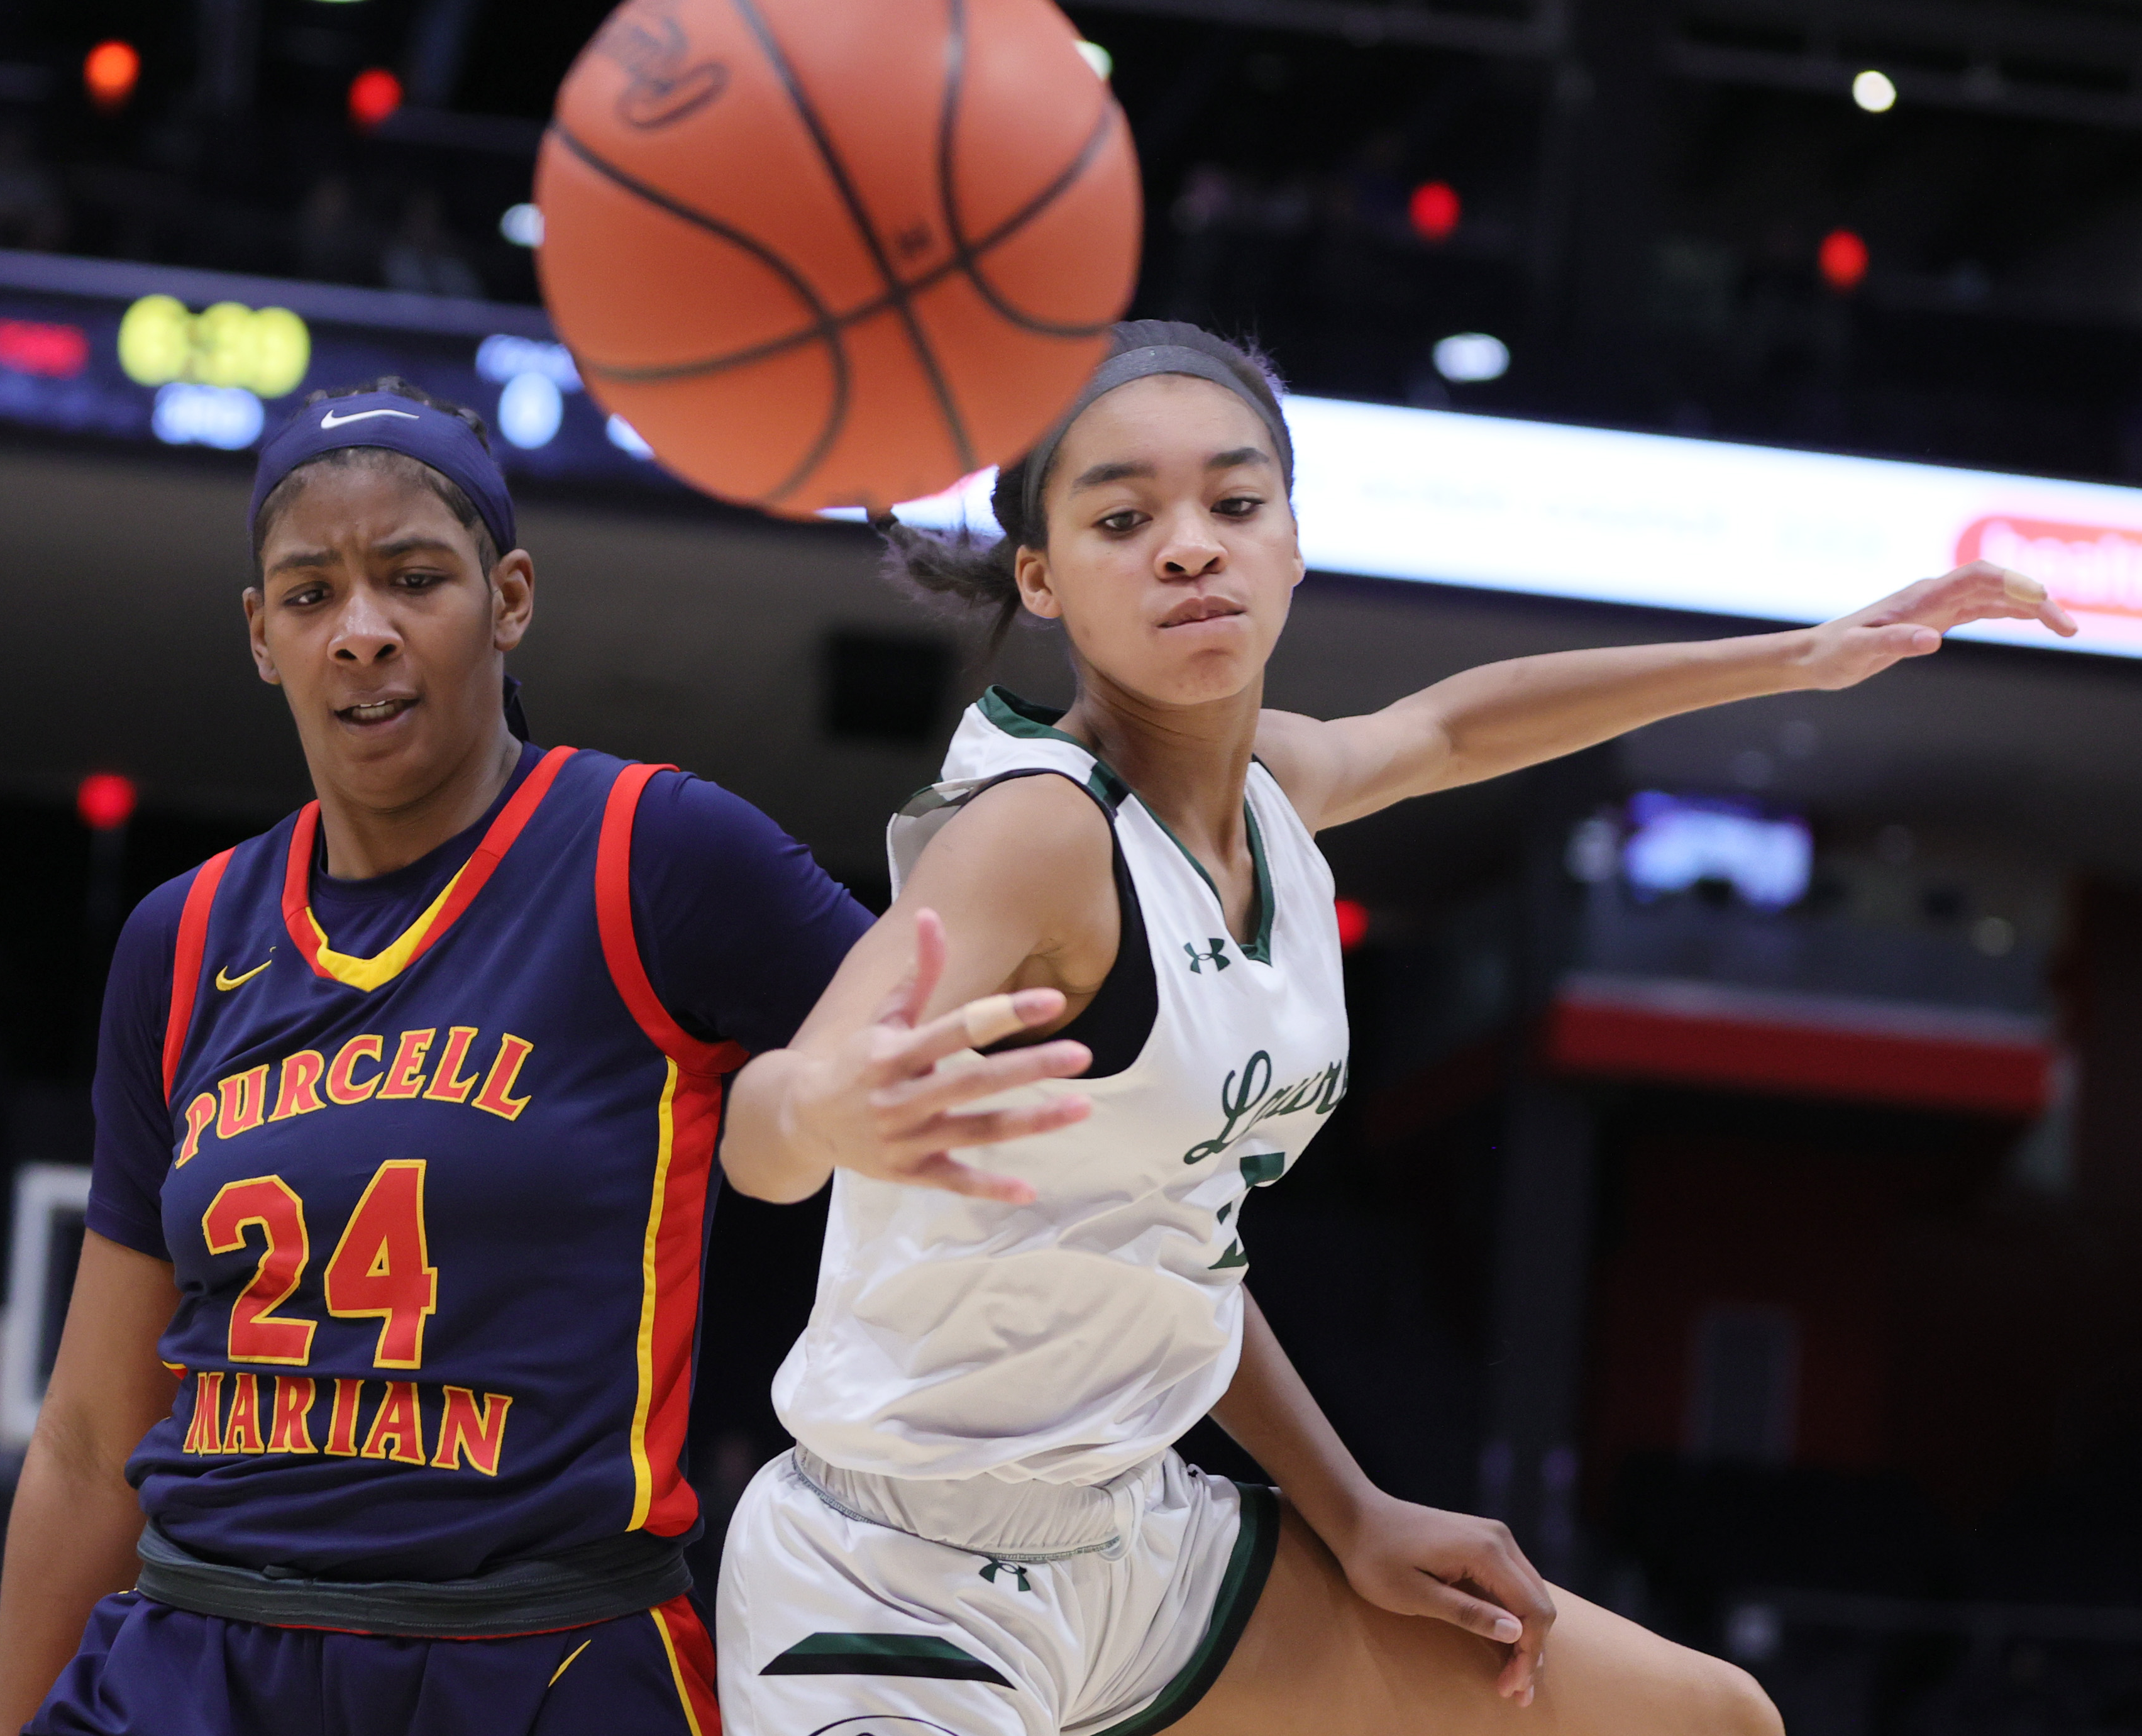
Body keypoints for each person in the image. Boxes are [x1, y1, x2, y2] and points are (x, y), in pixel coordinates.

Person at [712, 319, 2077, 1736]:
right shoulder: (1037, 833)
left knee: (1703, 1719)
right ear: (1043, 580)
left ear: (1292, 542)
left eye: (1236, 504)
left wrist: (1803, 656)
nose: (1190, 546)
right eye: (1124, 518)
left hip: (1145, 1543)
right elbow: (768, 1127)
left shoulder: (1270, 790)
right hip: (901, 1577)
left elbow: (1448, 733)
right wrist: (824, 1115)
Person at [0, 377, 876, 1736]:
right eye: (309, 594)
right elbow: (92, 1437)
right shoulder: (182, 940)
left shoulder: (657, 854)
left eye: (413, 579)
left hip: (530, 1655)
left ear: (508, 598)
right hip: (193, 1658)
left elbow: (959, 1052)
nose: (361, 633)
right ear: (261, 637)